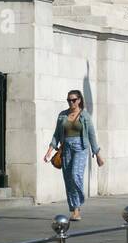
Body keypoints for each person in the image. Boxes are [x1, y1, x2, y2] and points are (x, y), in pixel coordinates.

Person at [43, 89, 104, 221]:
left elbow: (92, 135)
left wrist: (97, 154)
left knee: (75, 175)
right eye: (69, 100)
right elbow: (56, 135)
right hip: (66, 149)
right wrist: (49, 151)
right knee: (68, 180)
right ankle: (75, 210)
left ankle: (80, 199)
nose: (71, 102)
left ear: (79, 100)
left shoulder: (85, 116)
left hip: (81, 148)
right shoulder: (62, 115)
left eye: (74, 100)